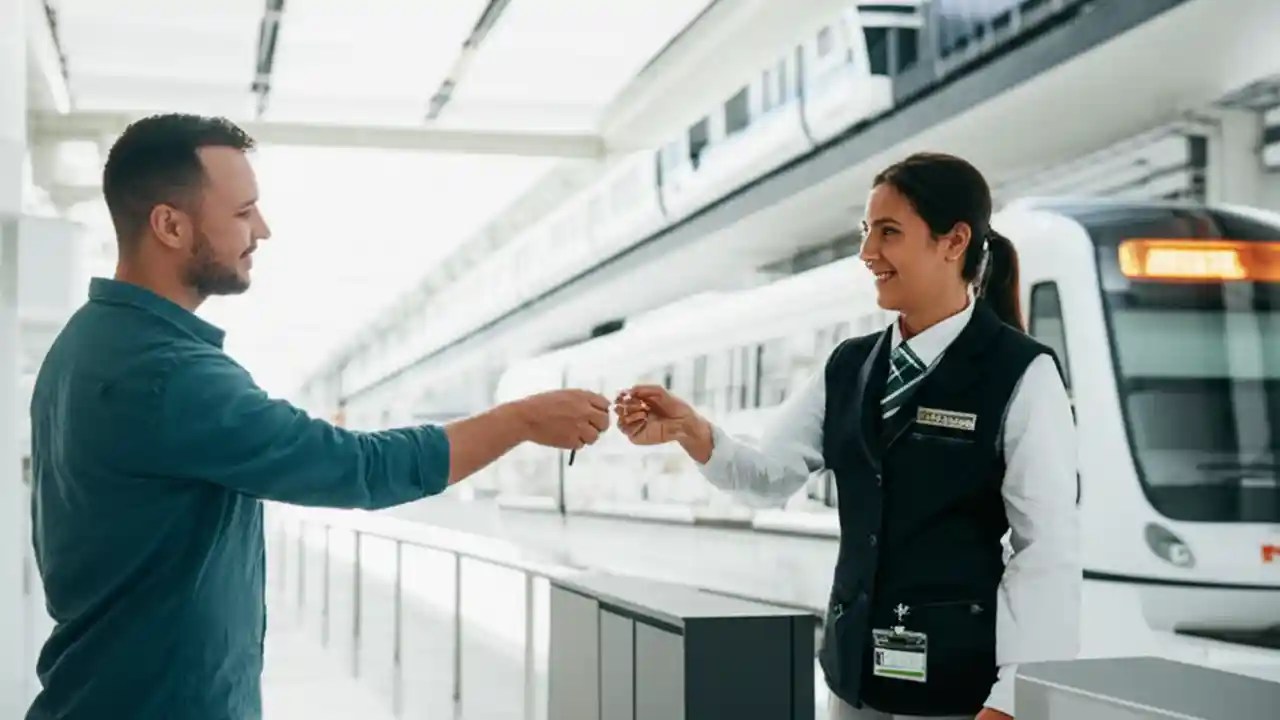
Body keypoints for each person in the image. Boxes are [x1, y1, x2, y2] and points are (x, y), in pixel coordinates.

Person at [26, 113, 611, 720]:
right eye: (243, 211)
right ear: (170, 225)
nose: (263, 230)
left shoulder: (82, 345)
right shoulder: (169, 373)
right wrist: (518, 421)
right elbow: (357, 468)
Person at [614, 152, 1080, 719]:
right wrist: (691, 431)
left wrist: (1012, 698)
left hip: (957, 692)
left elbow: (1048, 548)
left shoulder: (1022, 373)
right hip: (853, 680)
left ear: (953, 241)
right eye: (866, 232)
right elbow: (767, 477)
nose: (867, 254)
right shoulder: (849, 368)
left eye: (889, 233)